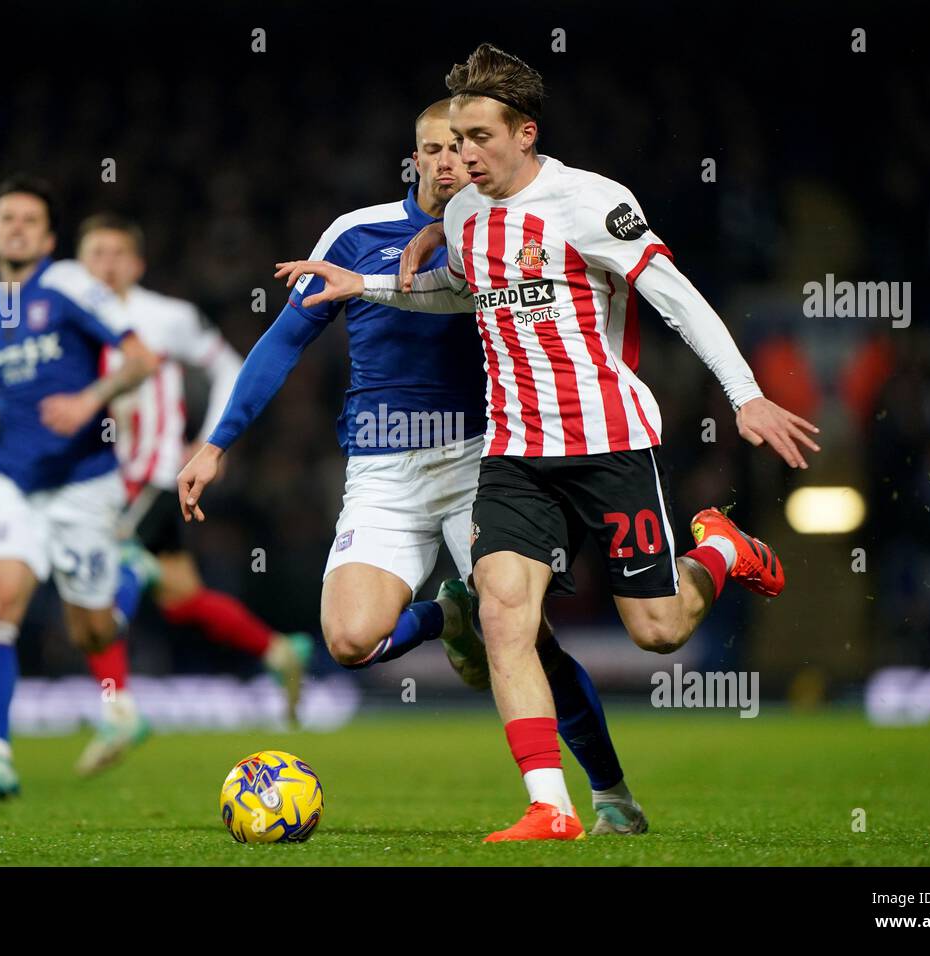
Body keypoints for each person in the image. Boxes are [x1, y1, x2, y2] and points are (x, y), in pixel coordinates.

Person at [272, 44, 822, 841]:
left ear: (525, 133)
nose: (461, 159)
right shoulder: (462, 214)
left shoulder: (592, 203)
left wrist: (746, 396)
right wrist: (375, 283)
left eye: (478, 140)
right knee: (504, 618)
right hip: (514, 455)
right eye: (454, 141)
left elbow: (678, 299)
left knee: (658, 631)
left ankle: (724, 552)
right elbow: (458, 293)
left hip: (607, 445)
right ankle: (551, 807)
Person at [180, 101, 651, 837]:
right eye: (430, 149)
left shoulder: (497, 234)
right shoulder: (357, 233)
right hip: (382, 471)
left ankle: (610, 793)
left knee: (527, 641)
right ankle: (444, 614)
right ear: (414, 159)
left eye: (456, 148)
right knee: (348, 639)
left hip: (480, 460)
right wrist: (216, 444)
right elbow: (281, 342)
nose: (444, 161)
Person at [0, 174, 159, 798]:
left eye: (30, 219)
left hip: (84, 481)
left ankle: (131, 575)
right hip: (13, 478)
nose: (17, 227)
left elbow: (140, 359)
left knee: (92, 633)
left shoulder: (72, 285)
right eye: (8, 218)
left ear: (49, 236)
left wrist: (90, 399)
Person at [77, 213, 311, 747]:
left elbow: (230, 365)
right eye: (95, 254)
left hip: (155, 474)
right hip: (100, 477)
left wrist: (210, 442)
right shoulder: (71, 320)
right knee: (181, 596)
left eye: (117, 253)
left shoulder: (166, 317)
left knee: (111, 573)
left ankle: (118, 710)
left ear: (137, 263)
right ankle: (279, 651)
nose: (106, 264)